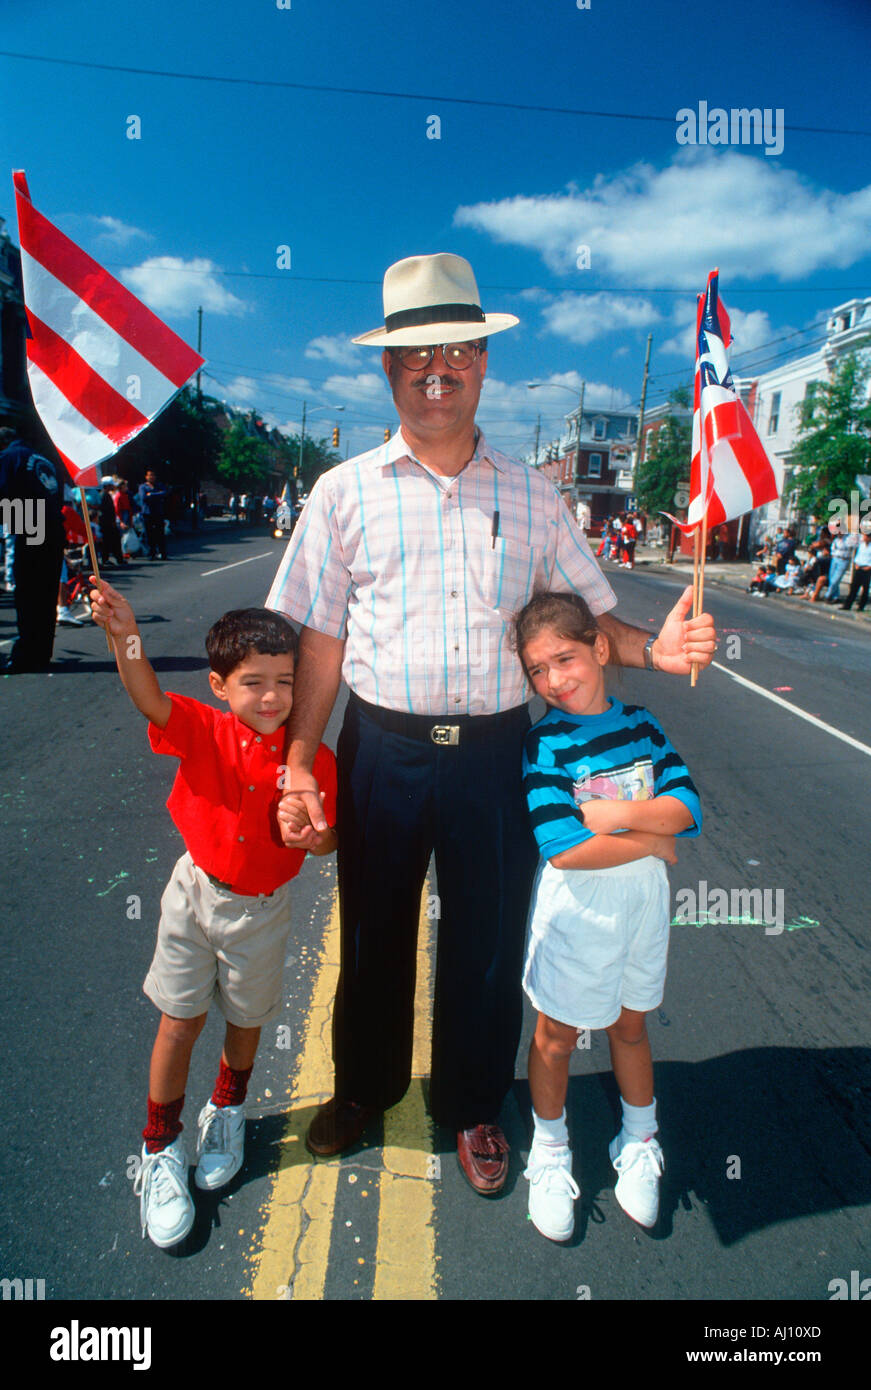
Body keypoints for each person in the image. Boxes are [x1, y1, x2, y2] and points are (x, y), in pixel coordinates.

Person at [267, 252, 716, 1195]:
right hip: (383, 748)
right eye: (415, 356)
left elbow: (588, 622)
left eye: (457, 352)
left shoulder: (533, 492)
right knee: (373, 933)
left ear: (483, 361)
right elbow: (317, 642)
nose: (438, 371)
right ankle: (364, 1089)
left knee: (486, 938)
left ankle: (475, 1103)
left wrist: (659, 652)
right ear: (387, 371)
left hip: (497, 755)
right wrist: (300, 763)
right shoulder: (342, 492)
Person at [88, 582, 337, 1248]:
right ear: (220, 685)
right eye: (252, 682)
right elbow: (147, 695)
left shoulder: (310, 763)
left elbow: (330, 835)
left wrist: (312, 836)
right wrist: (125, 633)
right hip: (194, 895)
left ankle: (227, 1107)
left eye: (285, 682)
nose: (271, 697)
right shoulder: (202, 727)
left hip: (263, 909)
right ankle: (160, 1144)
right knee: (179, 1018)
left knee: (247, 1019)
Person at [513, 591, 701, 1240]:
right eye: (536, 670)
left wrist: (617, 815)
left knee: (629, 1027)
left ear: (598, 648)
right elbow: (562, 849)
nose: (553, 680)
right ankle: (549, 1150)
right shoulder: (545, 743)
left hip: (642, 916)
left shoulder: (643, 725)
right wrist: (650, 841)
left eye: (564, 658)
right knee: (556, 1037)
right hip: (576, 921)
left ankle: (638, 1139)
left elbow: (688, 806)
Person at [0, 427, 66, 673]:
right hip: (52, 528)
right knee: (46, 595)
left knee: (27, 595)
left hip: (29, 523)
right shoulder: (44, 460)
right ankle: (41, 653)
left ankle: (25, 656)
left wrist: (9, 522)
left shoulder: (8, 458)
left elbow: (3, 492)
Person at [840, 518, 871, 611]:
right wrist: (856, 564)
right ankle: (847, 605)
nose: (864, 537)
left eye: (866, 536)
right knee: (854, 587)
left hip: (867, 569)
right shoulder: (861, 545)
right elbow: (857, 555)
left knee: (865, 589)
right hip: (859, 567)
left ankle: (861, 607)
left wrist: (869, 567)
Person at [137, 469, 168, 560]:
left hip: (158, 513)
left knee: (160, 534)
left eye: (153, 475)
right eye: (149, 475)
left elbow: (164, 493)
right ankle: (152, 553)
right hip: (147, 513)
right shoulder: (143, 487)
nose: (151, 477)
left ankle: (163, 553)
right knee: (149, 534)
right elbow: (144, 497)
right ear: (146, 477)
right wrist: (156, 495)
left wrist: (151, 495)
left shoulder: (159, 485)